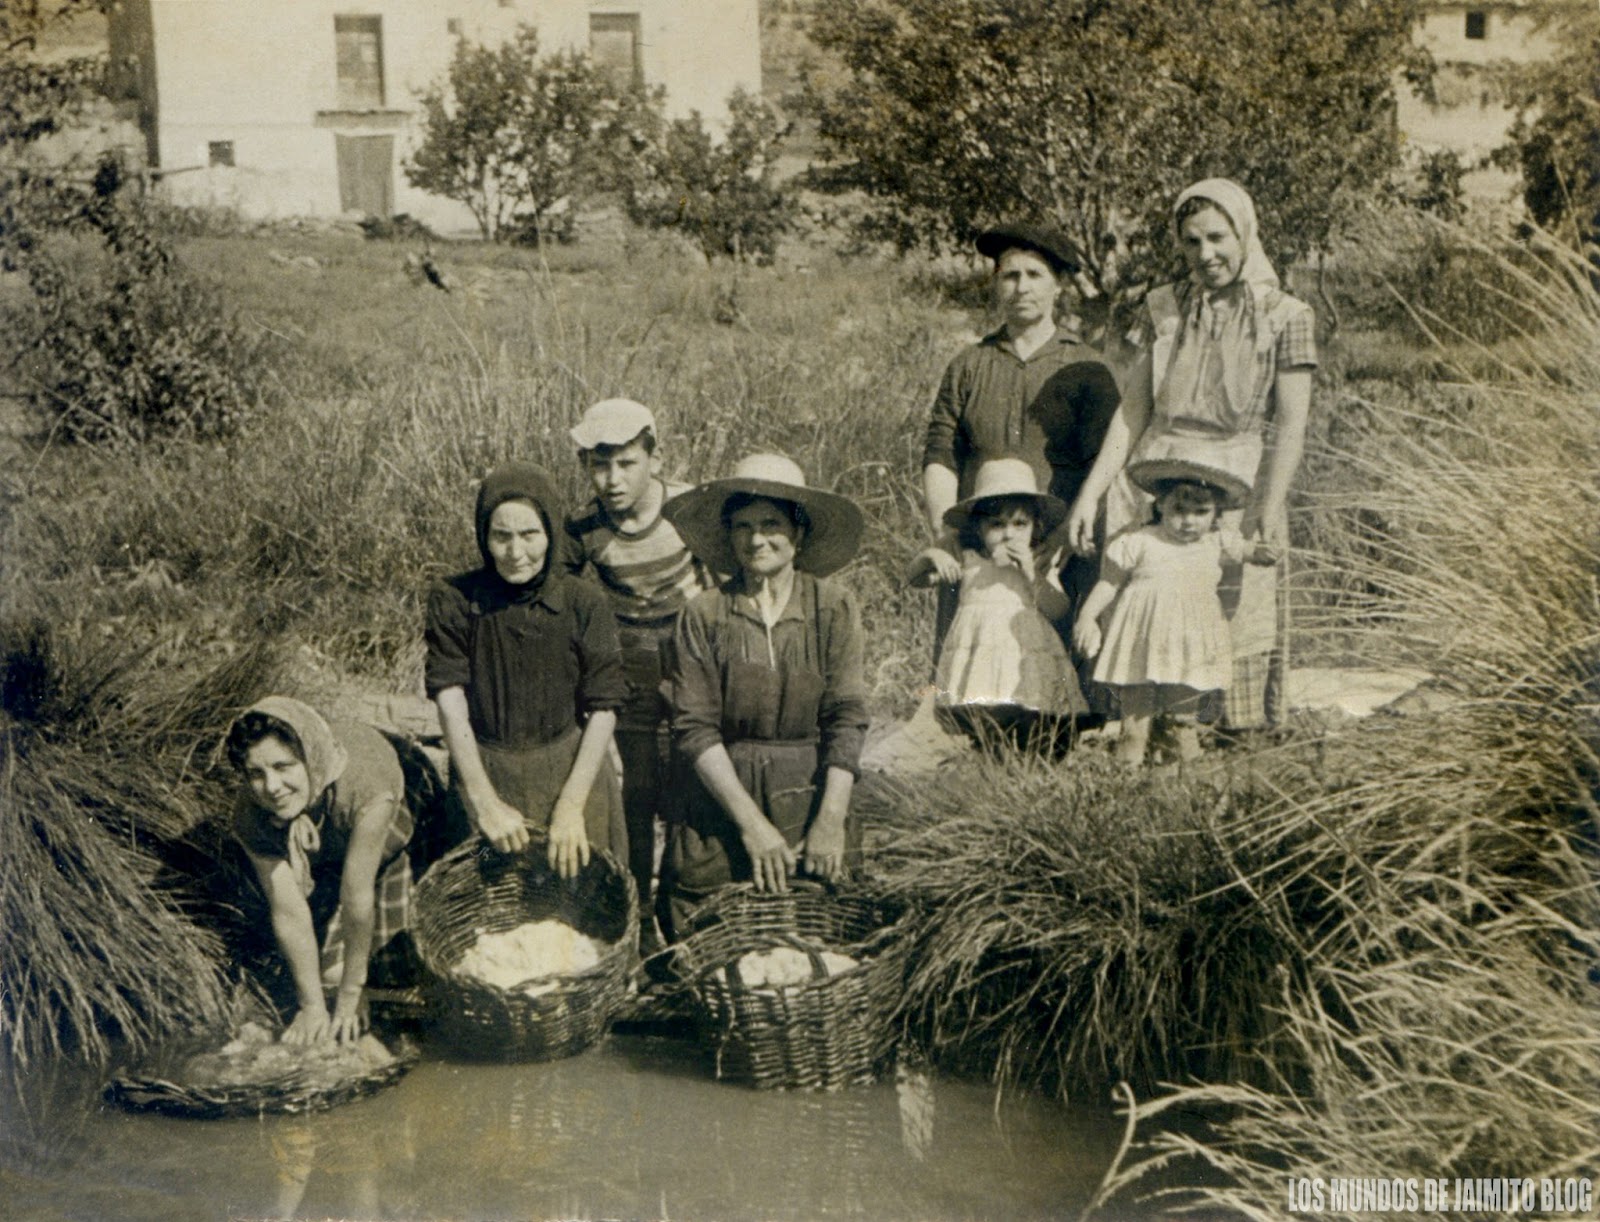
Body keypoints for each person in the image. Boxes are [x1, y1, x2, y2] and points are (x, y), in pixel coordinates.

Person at [1066, 179, 1316, 730]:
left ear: (1244, 234)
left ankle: (1223, 736)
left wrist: (1269, 507)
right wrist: (1092, 494)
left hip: (1237, 481)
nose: (1206, 255)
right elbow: (1133, 412)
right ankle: (1139, 734)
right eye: (1191, 241)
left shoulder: (1287, 316)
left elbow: (1293, 423)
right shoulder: (1165, 307)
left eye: (1218, 238)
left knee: (1229, 608)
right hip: (1156, 481)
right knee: (1148, 602)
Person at [658, 453, 869, 940]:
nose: (756, 540)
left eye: (771, 524)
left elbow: (847, 717)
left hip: (809, 795)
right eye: (743, 526)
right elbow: (694, 728)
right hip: (723, 801)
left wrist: (831, 821)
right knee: (718, 941)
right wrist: (751, 827)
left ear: (797, 534)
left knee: (820, 940)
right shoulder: (704, 614)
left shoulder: (833, 607)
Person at [920, 222, 1121, 660]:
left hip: (1059, 546)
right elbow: (941, 452)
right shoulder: (968, 365)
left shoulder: (1087, 367)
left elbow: (1104, 462)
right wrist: (944, 530)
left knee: (1059, 673)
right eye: (1010, 275)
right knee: (977, 670)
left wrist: (1068, 531)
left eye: (1035, 275)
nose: (1021, 287)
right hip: (983, 541)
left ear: (1059, 286)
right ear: (995, 284)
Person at [424, 461, 627, 878]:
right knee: (487, 901)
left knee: (581, 908)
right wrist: (483, 803)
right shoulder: (455, 599)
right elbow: (449, 698)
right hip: (486, 774)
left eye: (530, 534)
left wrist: (571, 808)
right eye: (501, 536)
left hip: (573, 776)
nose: (516, 553)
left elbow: (604, 707)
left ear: (551, 532)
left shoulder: (584, 603)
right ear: (484, 535)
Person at [563, 398, 710, 951]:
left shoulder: (688, 511)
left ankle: (684, 916)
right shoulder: (583, 530)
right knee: (638, 794)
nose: (612, 479)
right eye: (599, 466)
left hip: (692, 667)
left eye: (626, 463)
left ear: (654, 456)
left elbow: (721, 590)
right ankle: (640, 921)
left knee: (690, 787)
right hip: (629, 677)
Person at [227, 696, 414, 1045]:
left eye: (284, 767)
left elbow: (357, 896)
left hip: (383, 827)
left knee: (389, 970)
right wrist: (311, 1005)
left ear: (310, 760)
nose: (271, 787)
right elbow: (288, 910)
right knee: (325, 976)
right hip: (325, 843)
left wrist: (350, 996)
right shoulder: (250, 815)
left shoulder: (366, 786)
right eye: (256, 773)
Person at [1073, 462, 1277, 766]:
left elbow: (1250, 552)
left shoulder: (1216, 541)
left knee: (1183, 724)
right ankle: (1124, 783)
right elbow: (1109, 583)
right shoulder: (1141, 540)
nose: (1188, 521)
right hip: (1141, 641)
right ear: (1161, 505)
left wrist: (1263, 553)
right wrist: (1088, 616)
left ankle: (1184, 788)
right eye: (1179, 509)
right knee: (1134, 727)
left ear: (1216, 513)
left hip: (1189, 642)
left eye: (1200, 512)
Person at [908, 457, 1084, 747]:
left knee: (1030, 710)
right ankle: (987, 750)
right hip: (982, 653)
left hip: (1023, 656)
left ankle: (1031, 750)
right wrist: (930, 557)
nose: (1009, 534)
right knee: (983, 714)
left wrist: (1031, 574)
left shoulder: (1039, 562)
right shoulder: (969, 560)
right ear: (979, 528)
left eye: (1020, 524)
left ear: (1034, 527)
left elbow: (1059, 609)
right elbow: (916, 579)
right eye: (997, 524)